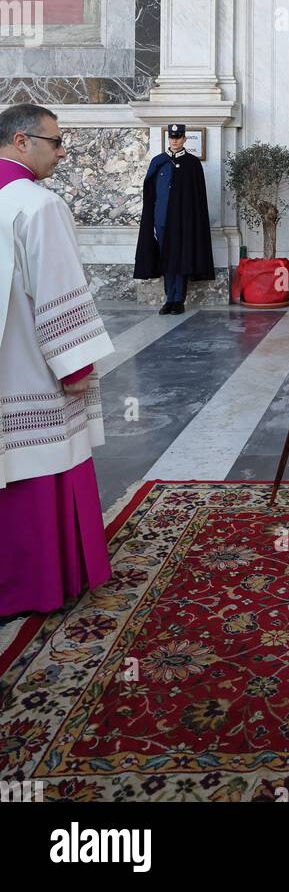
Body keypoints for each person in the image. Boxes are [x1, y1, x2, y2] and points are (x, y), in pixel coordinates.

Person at [0, 103, 114, 619]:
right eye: (55, 141)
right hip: (29, 367)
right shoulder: (36, 204)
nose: (63, 152)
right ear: (21, 141)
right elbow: (56, 288)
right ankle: (38, 582)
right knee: (42, 459)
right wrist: (76, 366)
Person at [133, 124, 214, 313]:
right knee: (166, 258)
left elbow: (198, 198)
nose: (175, 141)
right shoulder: (158, 162)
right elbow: (150, 195)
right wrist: (151, 220)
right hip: (161, 220)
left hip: (183, 222)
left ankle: (179, 299)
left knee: (181, 257)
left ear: (185, 139)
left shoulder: (192, 164)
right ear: (168, 139)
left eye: (178, 137)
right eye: (172, 137)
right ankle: (169, 298)